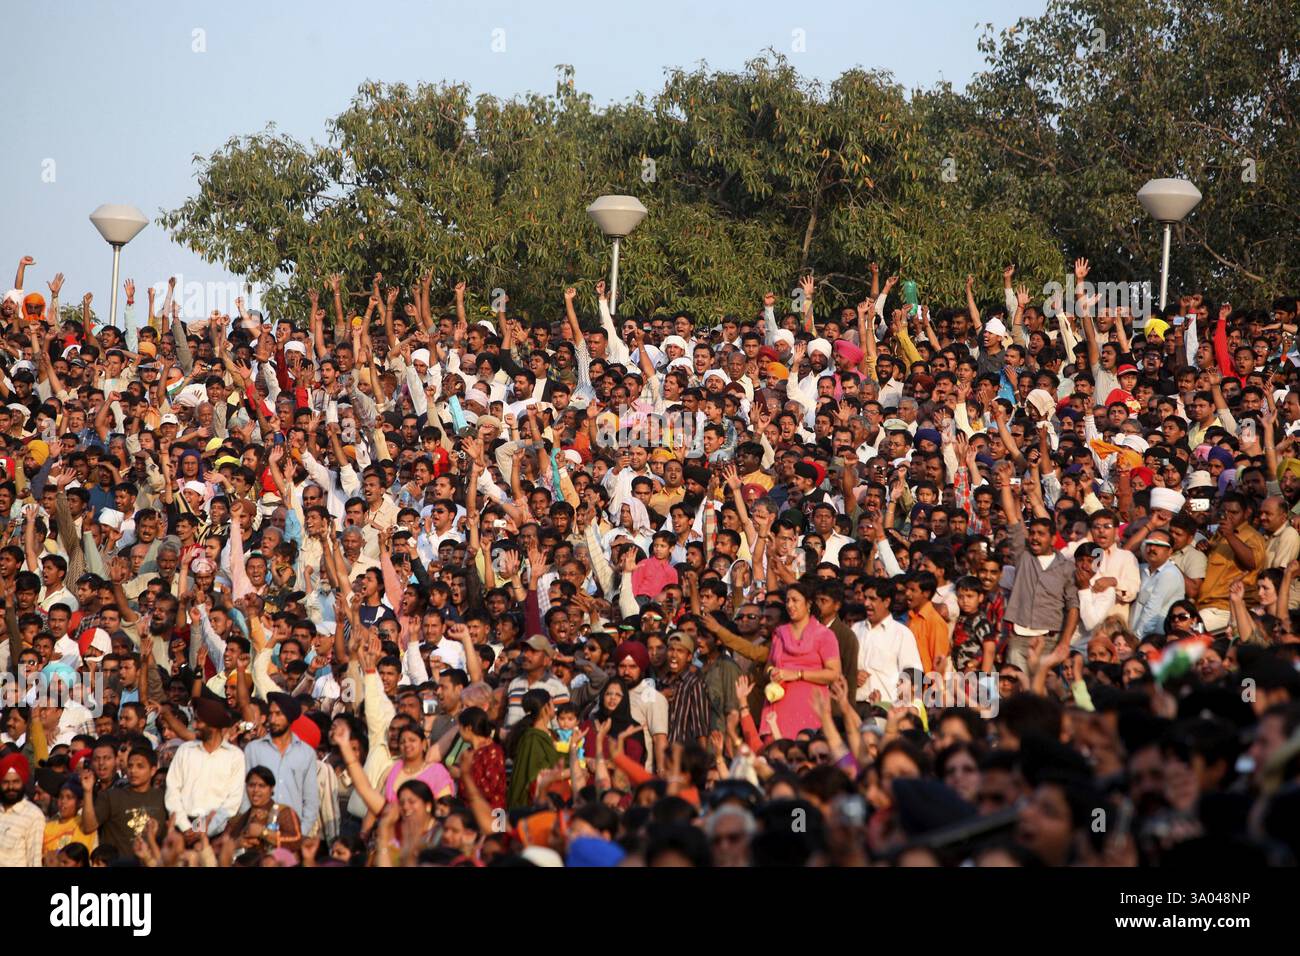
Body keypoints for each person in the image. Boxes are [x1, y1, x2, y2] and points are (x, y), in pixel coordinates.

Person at [222, 767, 302, 857]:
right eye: (251, 785)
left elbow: (296, 841)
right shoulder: (237, 821)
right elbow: (219, 848)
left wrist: (263, 832)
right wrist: (236, 844)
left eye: (261, 786)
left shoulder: (283, 812)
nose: (255, 790)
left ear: (271, 788)